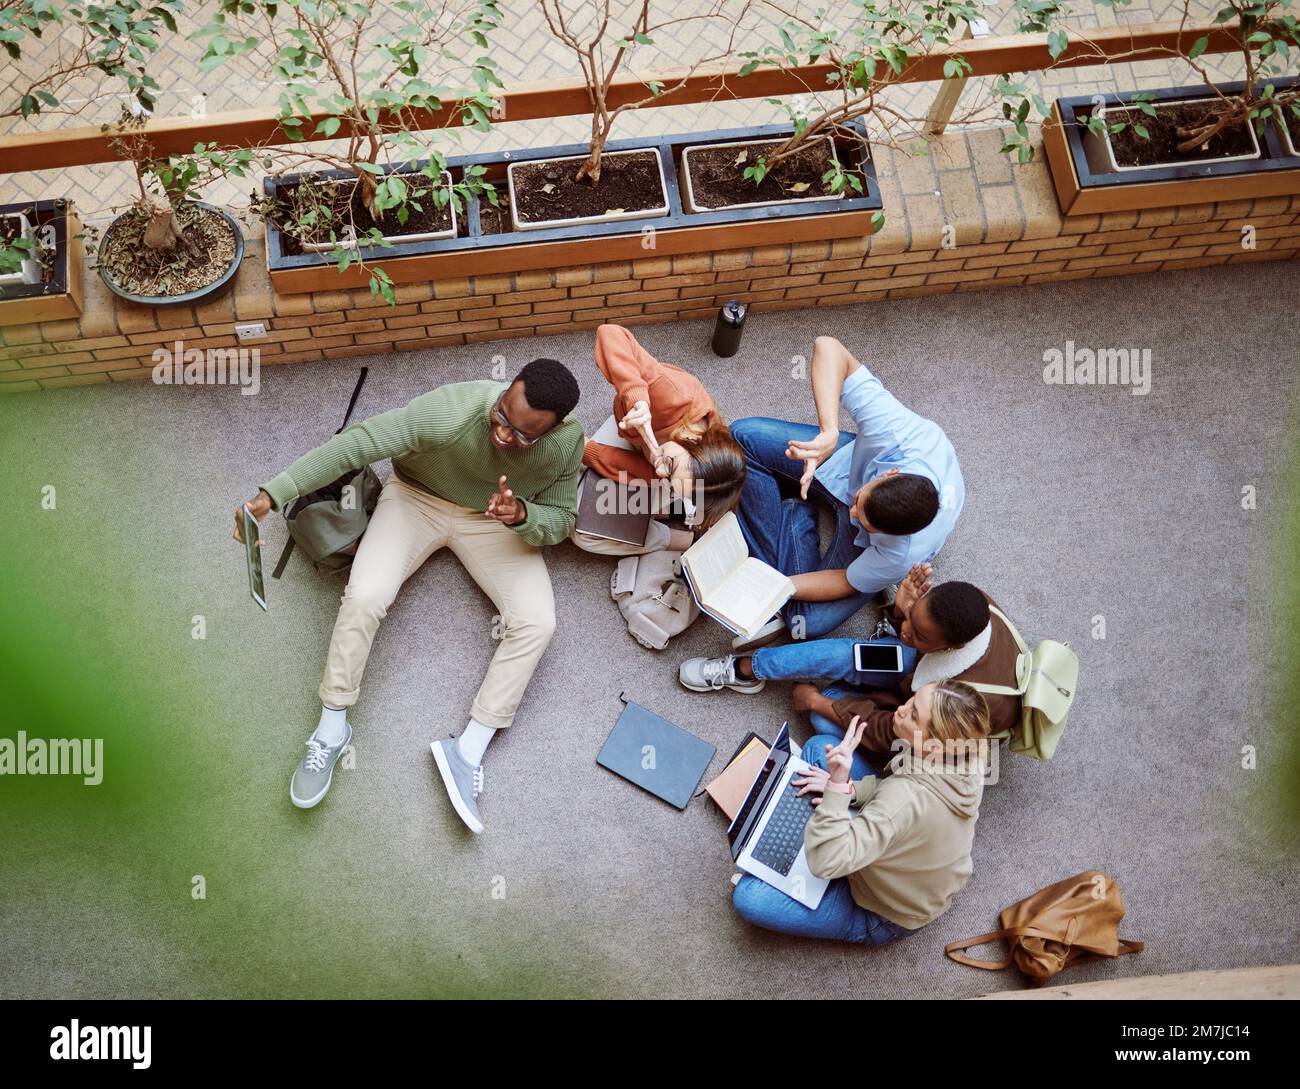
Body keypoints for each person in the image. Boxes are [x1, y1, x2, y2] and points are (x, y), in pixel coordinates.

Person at [232, 359, 584, 833]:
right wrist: (270, 496)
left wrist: (523, 514)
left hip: (493, 518)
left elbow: (561, 521)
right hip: (417, 498)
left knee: (538, 622)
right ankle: (332, 728)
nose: (503, 435)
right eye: (501, 417)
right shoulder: (452, 411)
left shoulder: (566, 444)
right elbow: (359, 443)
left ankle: (467, 752)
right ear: (503, 394)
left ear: (553, 429)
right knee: (364, 595)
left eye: (522, 436)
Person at [726, 335, 963, 649]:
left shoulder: (901, 553)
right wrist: (829, 431)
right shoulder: (894, 433)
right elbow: (828, 346)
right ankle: (792, 513)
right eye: (860, 502)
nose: (852, 511)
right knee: (742, 435)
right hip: (845, 461)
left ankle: (796, 513)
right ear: (888, 474)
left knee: (807, 622)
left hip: (868, 554)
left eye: (864, 522)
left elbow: (845, 579)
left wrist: (775, 584)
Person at [731, 680, 990, 944]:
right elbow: (895, 793)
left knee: (749, 897)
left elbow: (825, 862)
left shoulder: (901, 800)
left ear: (934, 747)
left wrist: (836, 787)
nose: (902, 708)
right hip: (909, 860)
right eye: (913, 699)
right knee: (819, 748)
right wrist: (851, 789)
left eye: (914, 715)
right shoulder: (969, 752)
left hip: (884, 914)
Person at [680, 563, 1023, 754]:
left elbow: (887, 731)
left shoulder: (952, 704)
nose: (907, 632)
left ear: (949, 648)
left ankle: (833, 691)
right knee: (849, 655)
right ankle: (746, 669)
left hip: (922, 726)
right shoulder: (973, 604)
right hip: (922, 679)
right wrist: (903, 611)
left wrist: (815, 702)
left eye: (918, 636)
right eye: (915, 619)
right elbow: (914, 631)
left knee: (826, 719)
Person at [572, 323, 745, 556]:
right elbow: (610, 332)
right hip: (630, 423)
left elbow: (650, 473)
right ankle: (671, 510)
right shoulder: (674, 395)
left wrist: (587, 450)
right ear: (692, 438)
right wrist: (638, 398)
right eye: (672, 466)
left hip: (651, 460)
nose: (662, 471)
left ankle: (678, 533)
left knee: (585, 535)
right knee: (585, 518)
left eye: (672, 480)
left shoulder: (676, 468)